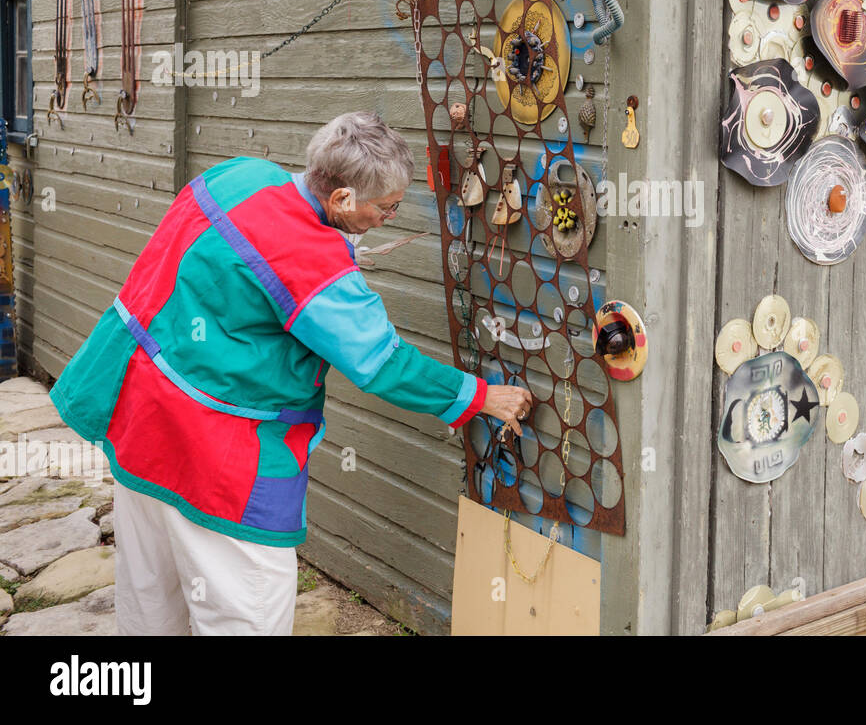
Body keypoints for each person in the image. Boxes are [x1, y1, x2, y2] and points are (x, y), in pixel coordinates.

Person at [50, 111, 532, 634]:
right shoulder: (313, 261)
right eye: (387, 208)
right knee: (247, 610)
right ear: (343, 199)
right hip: (218, 457)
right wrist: (480, 396)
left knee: (149, 599)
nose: (391, 217)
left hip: (139, 414)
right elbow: (383, 365)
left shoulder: (238, 175)